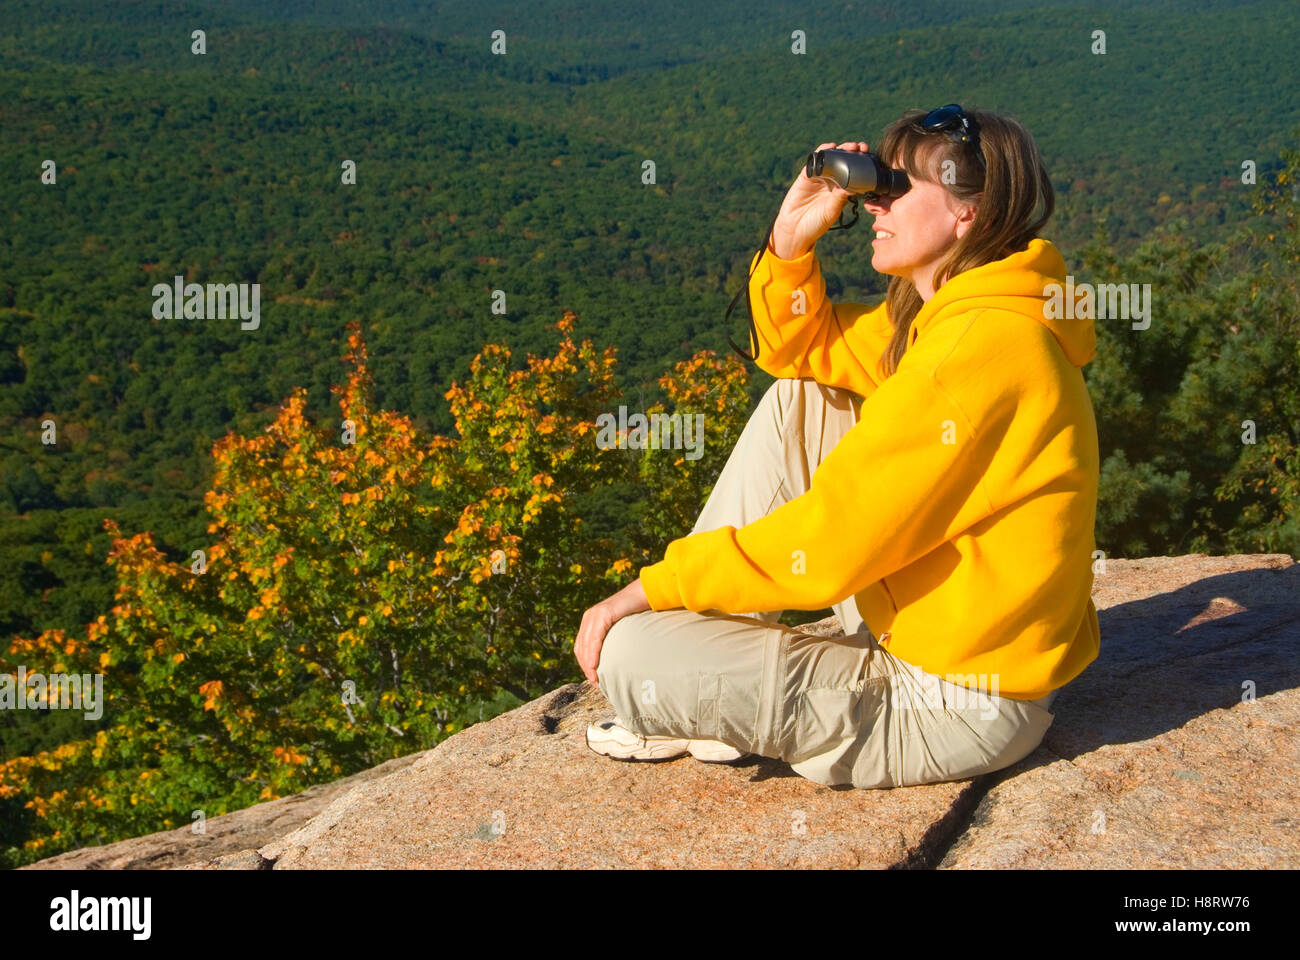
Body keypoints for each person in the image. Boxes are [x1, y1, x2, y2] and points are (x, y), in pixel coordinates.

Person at [573, 104, 1101, 789]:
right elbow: (803, 349)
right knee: (805, 398)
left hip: (952, 702)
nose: (876, 202)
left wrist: (652, 588)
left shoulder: (975, 349)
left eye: (899, 186)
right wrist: (791, 240)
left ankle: (697, 679)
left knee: (629, 652)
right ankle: (709, 652)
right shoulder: (963, 314)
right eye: (878, 184)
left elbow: (830, 543)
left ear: (966, 213)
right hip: (940, 644)